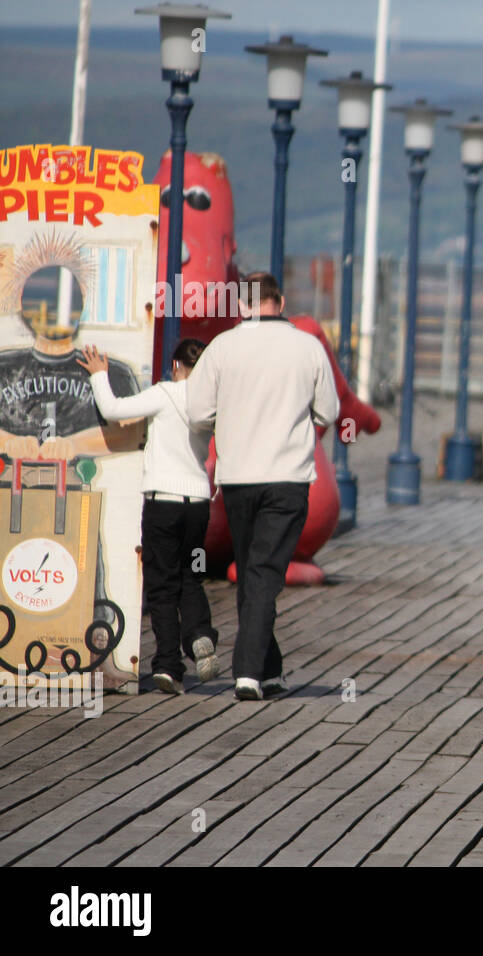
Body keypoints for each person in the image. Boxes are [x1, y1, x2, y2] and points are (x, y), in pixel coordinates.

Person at [186, 272, 339, 701]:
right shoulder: (307, 347)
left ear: (242, 304)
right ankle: (250, 672)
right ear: (281, 301)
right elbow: (328, 411)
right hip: (288, 477)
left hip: (237, 477)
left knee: (255, 567)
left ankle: (268, 671)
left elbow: (198, 412)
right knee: (264, 571)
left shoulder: (223, 346)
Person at [78, 338, 218, 694]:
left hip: (163, 503)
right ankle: (200, 634)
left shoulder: (164, 394)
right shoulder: (211, 403)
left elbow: (113, 410)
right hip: (198, 504)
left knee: (161, 585)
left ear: (175, 367)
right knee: (192, 574)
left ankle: (169, 666)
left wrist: (99, 375)